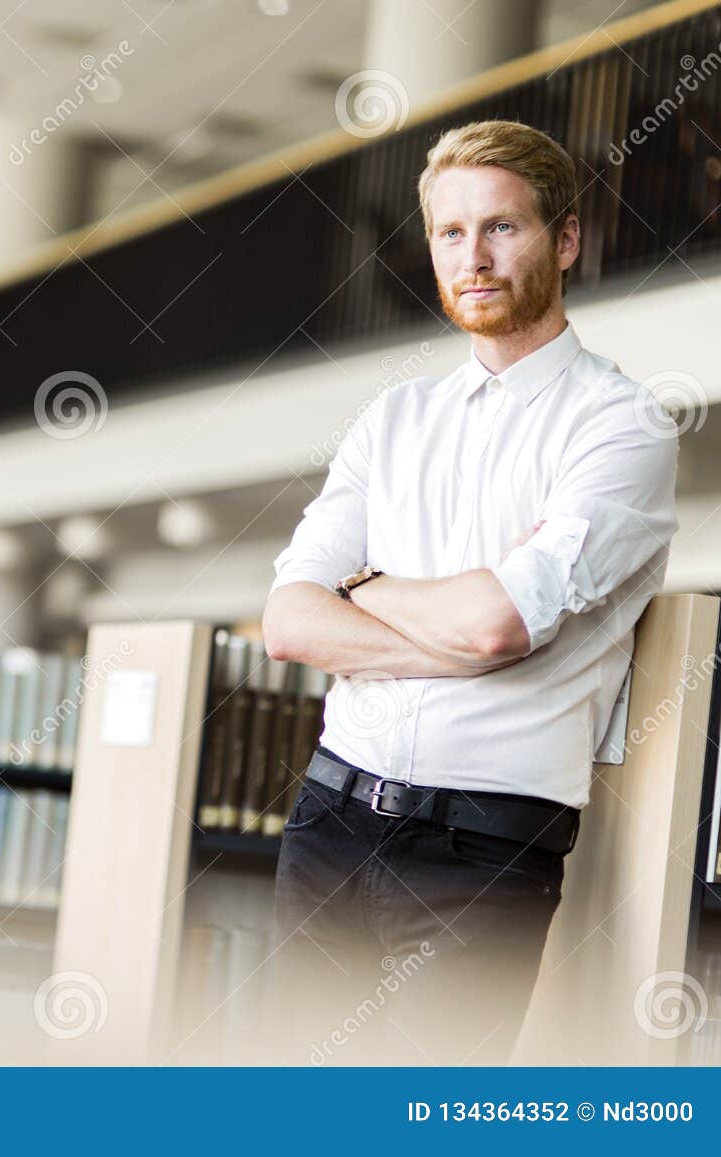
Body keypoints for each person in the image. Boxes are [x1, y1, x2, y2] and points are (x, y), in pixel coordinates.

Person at [261, 120, 679, 1066]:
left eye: (502, 228)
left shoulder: (621, 428)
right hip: (329, 819)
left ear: (565, 240)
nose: (473, 257)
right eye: (452, 234)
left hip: (482, 851)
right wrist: (443, 619)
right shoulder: (394, 417)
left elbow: (495, 623)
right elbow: (289, 621)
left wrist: (362, 592)